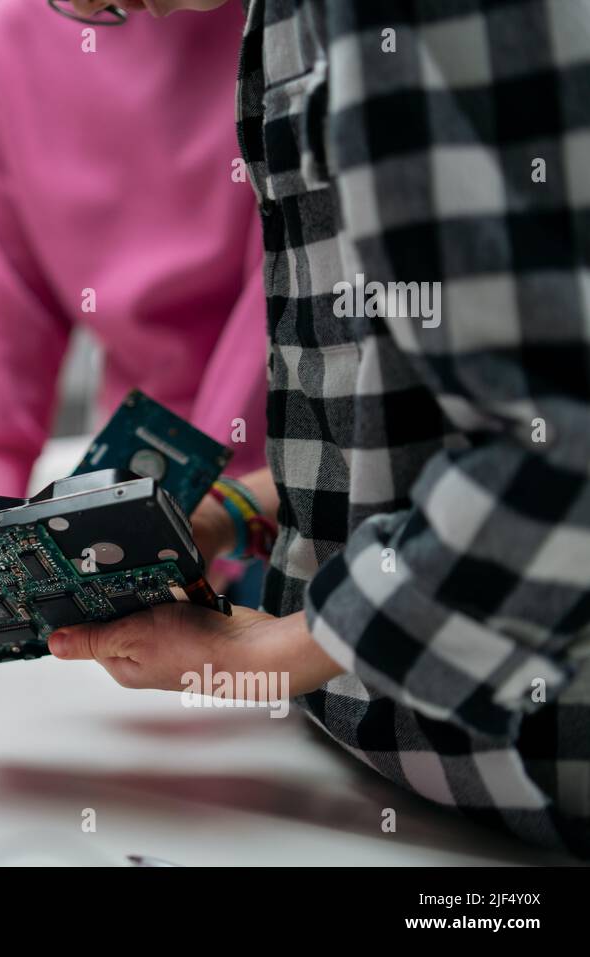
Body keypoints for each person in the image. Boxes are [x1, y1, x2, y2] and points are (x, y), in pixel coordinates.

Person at [48, 0, 590, 856]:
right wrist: (236, 506)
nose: (99, 10)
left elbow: (559, 452)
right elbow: (415, 435)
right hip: (379, 784)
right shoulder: (284, 20)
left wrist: (245, 657)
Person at [0, 0, 267, 503]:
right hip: (140, 453)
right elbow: (0, 303)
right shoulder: (11, 37)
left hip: (289, 443)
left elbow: (282, 278)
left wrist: (207, 496)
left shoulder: (277, 20)